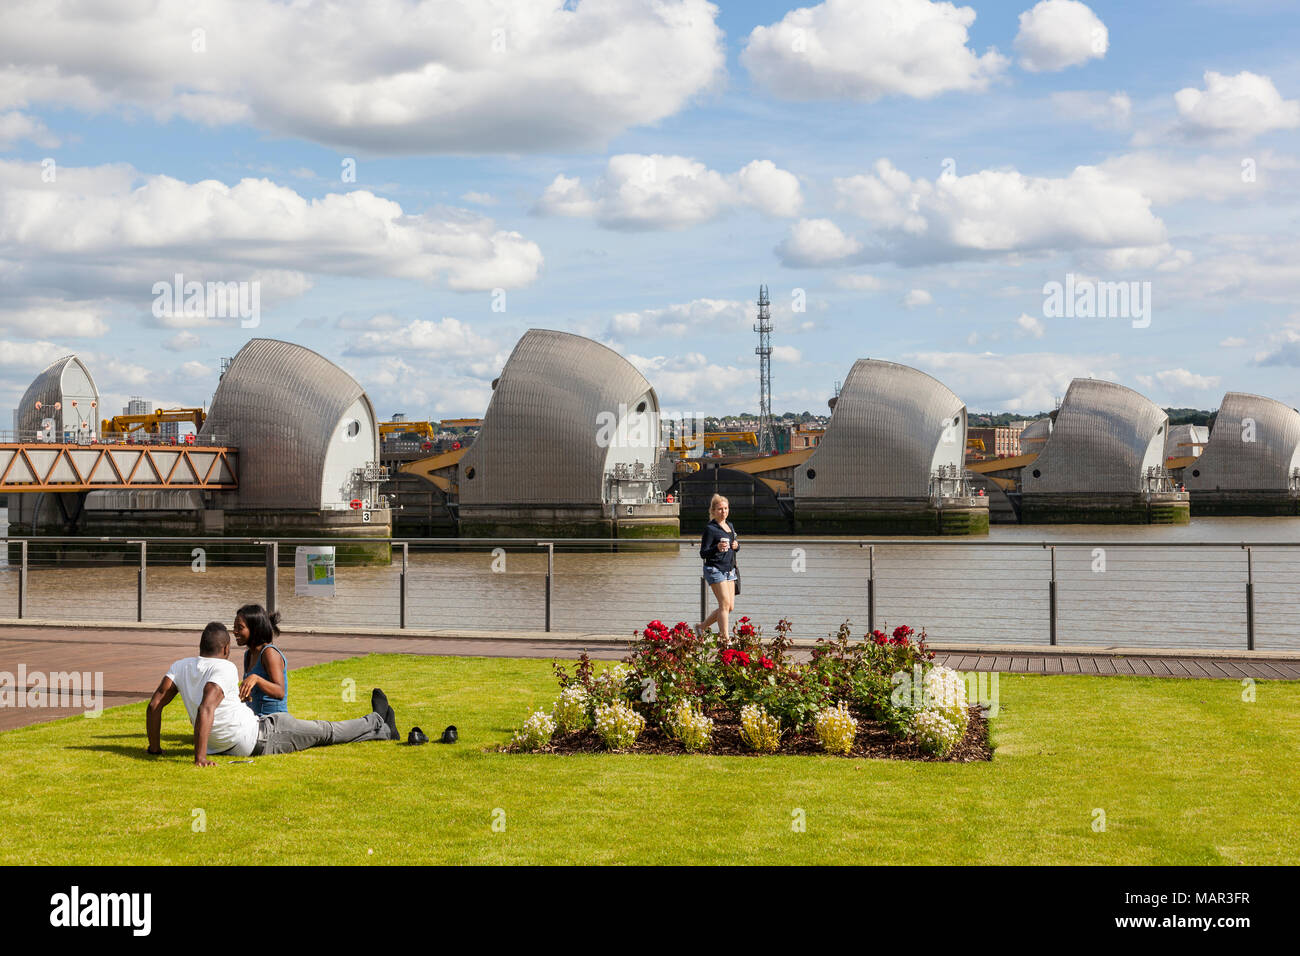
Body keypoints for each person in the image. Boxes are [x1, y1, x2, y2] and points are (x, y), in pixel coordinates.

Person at [145, 622, 399, 767]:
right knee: (325, 731)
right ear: (225, 648)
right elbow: (206, 708)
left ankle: (382, 728)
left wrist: (155, 748)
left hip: (229, 743)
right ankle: (377, 722)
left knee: (321, 731)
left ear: (200, 647)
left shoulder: (180, 666)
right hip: (262, 736)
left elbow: (155, 703)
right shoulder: (224, 666)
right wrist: (199, 758)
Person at [696, 493, 739, 640]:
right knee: (724, 604)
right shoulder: (710, 528)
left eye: (726, 508)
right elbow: (703, 553)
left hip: (729, 570)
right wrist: (717, 547)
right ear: (713, 511)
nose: (723, 511)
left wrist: (736, 546)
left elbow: (734, 547)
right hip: (715, 569)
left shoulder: (730, 526)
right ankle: (725, 639)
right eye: (720, 509)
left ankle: (701, 627)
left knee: (729, 606)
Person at [233, 603, 286, 715]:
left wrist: (256, 679)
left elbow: (280, 692)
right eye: (234, 627)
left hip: (274, 722)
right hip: (254, 721)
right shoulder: (248, 655)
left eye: (240, 628)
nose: (235, 631)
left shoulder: (269, 653)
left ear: (254, 629)